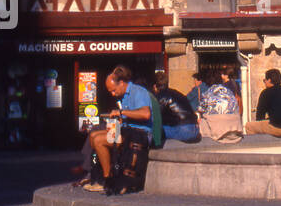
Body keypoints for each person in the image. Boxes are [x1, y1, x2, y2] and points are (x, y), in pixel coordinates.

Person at [82, 66, 155, 194]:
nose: (112, 94)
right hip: (128, 130)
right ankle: (100, 174)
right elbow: (128, 116)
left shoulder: (138, 92)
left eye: (114, 90)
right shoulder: (123, 96)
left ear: (121, 83)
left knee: (99, 140)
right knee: (94, 135)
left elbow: (145, 114)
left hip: (139, 134)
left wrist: (122, 113)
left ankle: (108, 179)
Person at [245, 69, 281, 137]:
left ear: (269, 80)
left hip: (279, 128)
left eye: (264, 80)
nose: (264, 82)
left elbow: (260, 116)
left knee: (248, 126)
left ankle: (260, 146)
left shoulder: (265, 93)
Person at [152, 71, 200, 143]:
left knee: (149, 130)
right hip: (195, 129)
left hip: (183, 130)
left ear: (155, 86)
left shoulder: (161, 96)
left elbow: (155, 117)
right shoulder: (177, 93)